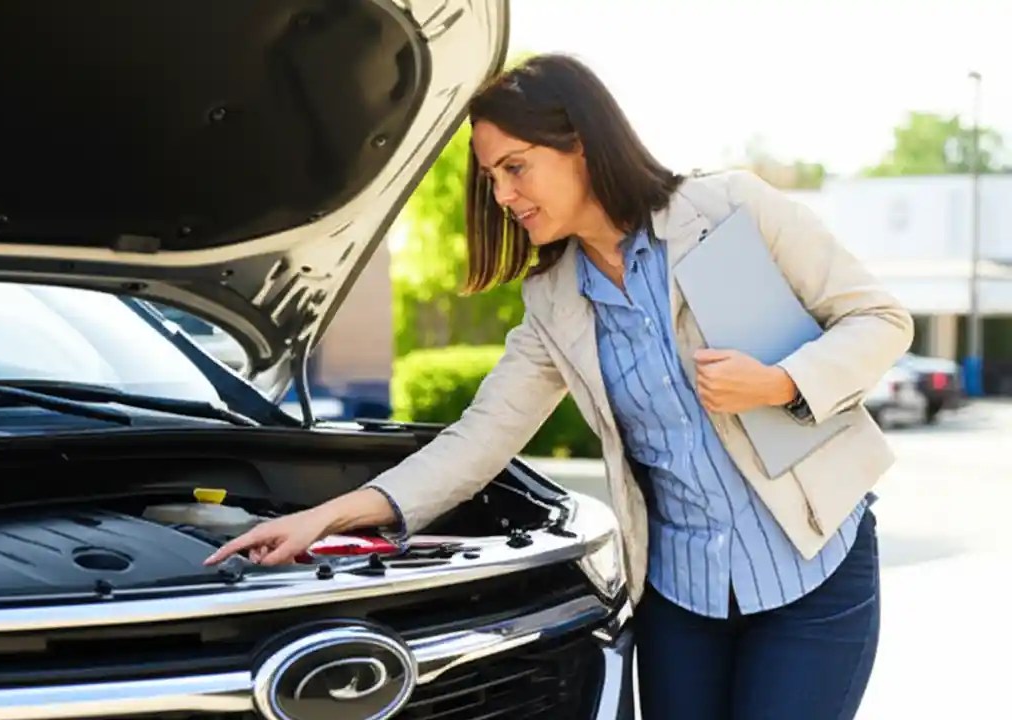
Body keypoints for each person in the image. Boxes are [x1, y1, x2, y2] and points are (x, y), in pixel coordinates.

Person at [205, 53, 911, 719]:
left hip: (814, 563)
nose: (504, 194)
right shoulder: (554, 301)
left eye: (516, 167)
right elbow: (480, 438)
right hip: (682, 594)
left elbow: (879, 318)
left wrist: (781, 382)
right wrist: (323, 518)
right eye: (492, 178)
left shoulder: (729, 211)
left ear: (581, 144)